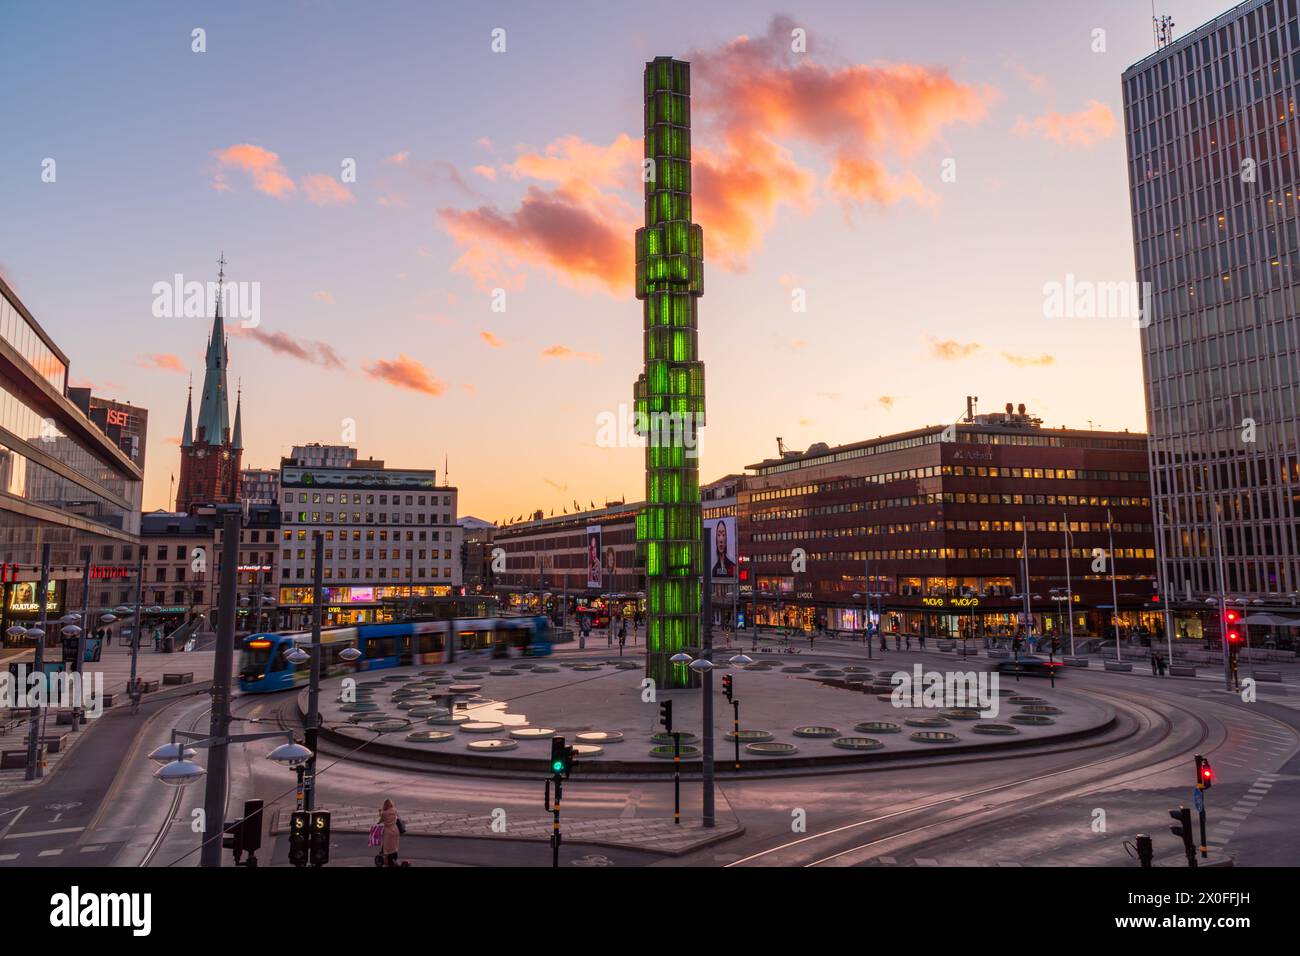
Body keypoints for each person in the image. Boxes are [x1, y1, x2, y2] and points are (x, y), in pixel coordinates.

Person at [375, 799, 403, 867]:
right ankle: (395, 860)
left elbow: (380, 821)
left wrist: (380, 813)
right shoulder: (394, 810)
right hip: (395, 830)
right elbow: (398, 818)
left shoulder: (384, 813)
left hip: (388, 831)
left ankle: (390, 862)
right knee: (394, 846)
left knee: (388, 848)